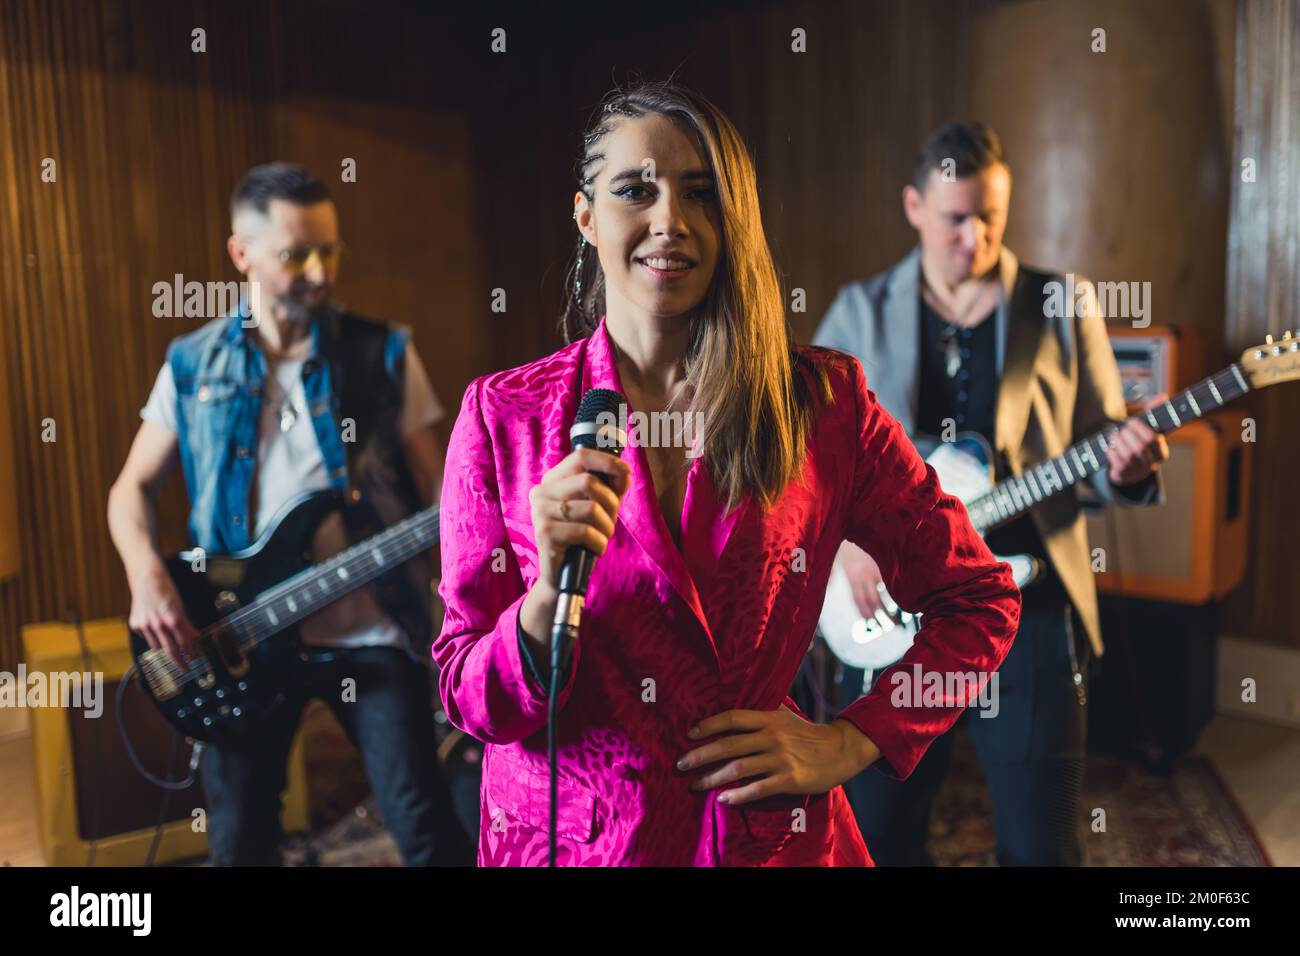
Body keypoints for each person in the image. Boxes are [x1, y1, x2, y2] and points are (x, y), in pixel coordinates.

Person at [434, 83, 1021, 866]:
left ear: (732, 220)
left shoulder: (823, 403)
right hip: (575, 843)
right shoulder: (503, 416)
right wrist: (544, 602)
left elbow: (977, 600)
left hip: (762, 839)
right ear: (587, 217)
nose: (669, 220)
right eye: (636, 190)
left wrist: (852, 739)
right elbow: (465, 691)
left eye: (701, 194)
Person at [813, 121, 1168, 865]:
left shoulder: (1062, 302)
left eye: (990, 218)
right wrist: (844, 545)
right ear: (914, 206)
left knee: (1044, 847)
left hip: (1028, 609)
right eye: (954, 218)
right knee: (877, 837)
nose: (973, 235)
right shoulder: (857, 311)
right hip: (894, 610)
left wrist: (1127, 469)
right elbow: (809, 463)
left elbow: (1102, 443)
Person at [107, 163, 474, 866]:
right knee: (240, 841)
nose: (319, 271)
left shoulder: (383, 351)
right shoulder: (192, 363)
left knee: (424, 826)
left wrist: (458, 599)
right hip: (238, 641)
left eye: (330, 250)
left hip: (371, 634)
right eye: (296, 254)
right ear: (240, 255)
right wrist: (146, 578)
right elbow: (130, 490)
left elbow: (446, 494)